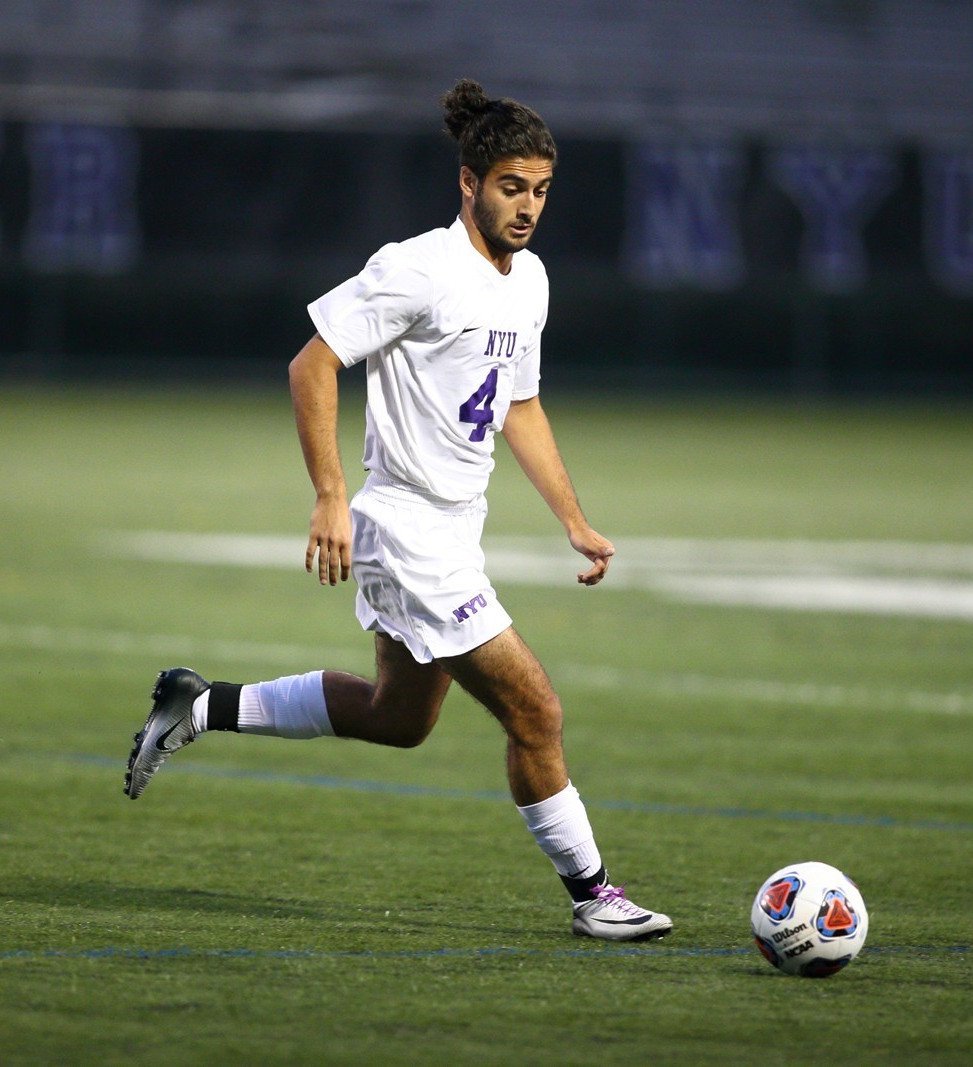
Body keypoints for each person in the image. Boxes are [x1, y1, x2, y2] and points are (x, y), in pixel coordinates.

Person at [125, 78, 671, 942]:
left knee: (400, 719)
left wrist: (572, 516)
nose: (528, 208)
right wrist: (331, 495)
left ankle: (197, 705)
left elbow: (518, 406)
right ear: (468, 182)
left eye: (540, 190)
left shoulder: (528, 281)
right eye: (510, 187)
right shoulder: (416, 267)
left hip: (456, 527)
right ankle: (595, 894)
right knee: (536, 711)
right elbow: (312, 364)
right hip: (408, 530)